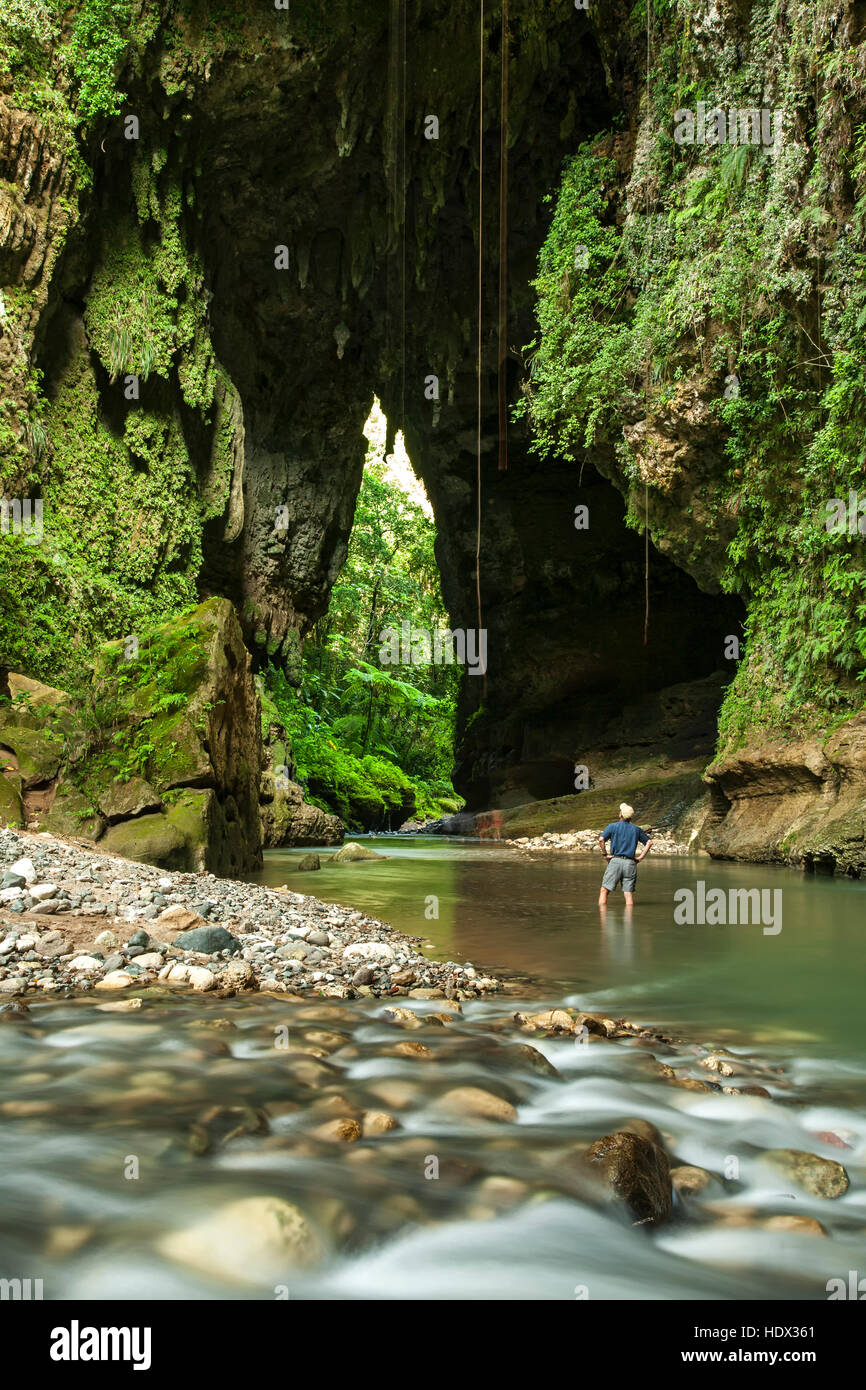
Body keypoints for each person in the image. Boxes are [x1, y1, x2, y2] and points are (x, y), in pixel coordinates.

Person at [597, 803, 653, 907]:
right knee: (628, 894)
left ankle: (603, 919)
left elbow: (601, 839)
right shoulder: (637, 829)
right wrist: (640, 858)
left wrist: (605, 854)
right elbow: (649, 842)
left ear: (620, 815)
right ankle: (629, 920)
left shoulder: (612, 826)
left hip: (615, 861)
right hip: (630, 863)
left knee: (604, 891)